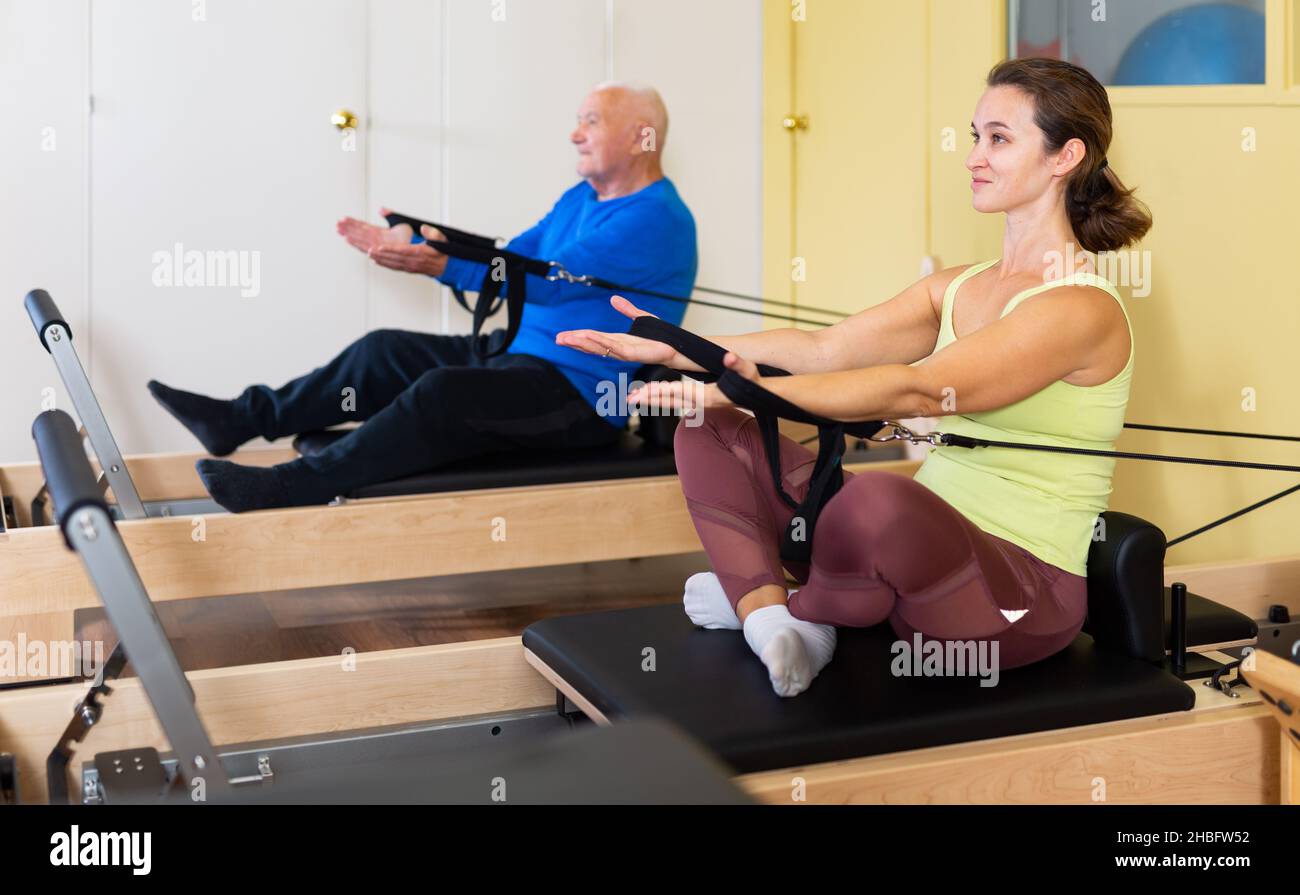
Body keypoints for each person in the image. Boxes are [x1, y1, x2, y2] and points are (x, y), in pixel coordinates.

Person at [558, 58, 1151, 697]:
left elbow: (916, 389)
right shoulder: (958, 286)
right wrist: (678, 348)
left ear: (1066, 156)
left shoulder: (1079, 307)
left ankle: (794, 605)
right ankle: (773, 621)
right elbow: (826, 348)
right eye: (975, 135)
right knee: (713, 430)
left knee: (876, 500)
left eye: (998, 139)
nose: (973, 156)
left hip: (1012, 597)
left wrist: (740, 386)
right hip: (911, 558)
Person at [149, 82, 696, 512]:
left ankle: (294, 485)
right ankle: (241, 418)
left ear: (639, 135)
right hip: (516, 358)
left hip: (577, 398)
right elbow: (513, 256)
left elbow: (545, 281)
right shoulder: (581, 197)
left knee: (442, 393)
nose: (575, 133)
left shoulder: (658, 219)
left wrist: (435, 261)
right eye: (577, 120)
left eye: (591, 121)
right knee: (382, 350)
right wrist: (428, 240)